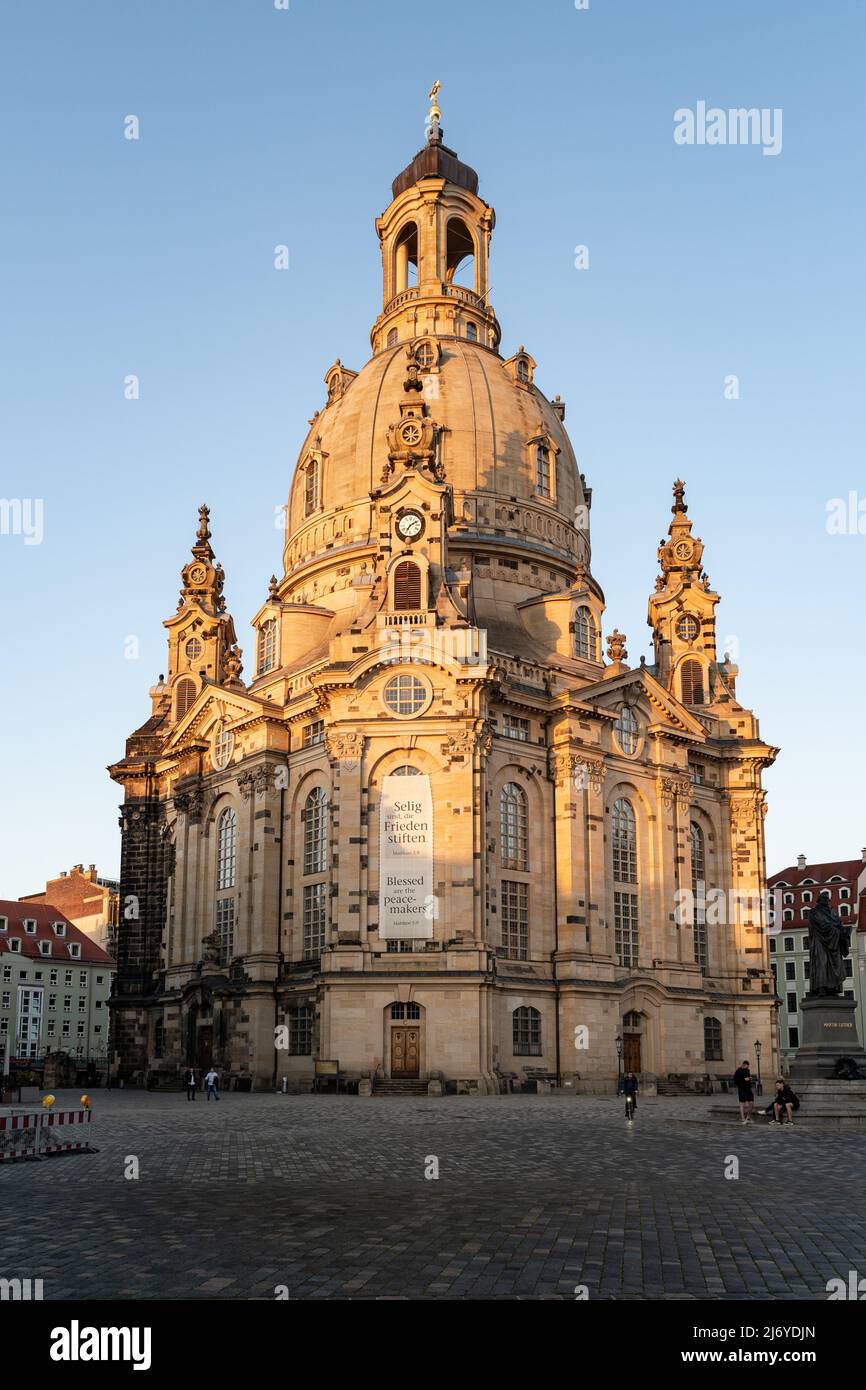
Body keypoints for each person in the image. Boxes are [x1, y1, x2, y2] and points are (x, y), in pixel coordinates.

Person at [733, 1060, 754, 1124]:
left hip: (748, 1089)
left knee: (751, 1103)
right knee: (742, 1104)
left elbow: (748, 1078)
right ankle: (743, 1119)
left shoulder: (747, 1070)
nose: (747, 1068)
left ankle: (749, 1117)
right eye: (746, 1066)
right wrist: (744, 1079)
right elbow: (736, 1081)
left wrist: (750, 1078)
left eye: (748, 1067)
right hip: (742, 1089)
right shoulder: (738, 1071)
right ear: (743, 1065)